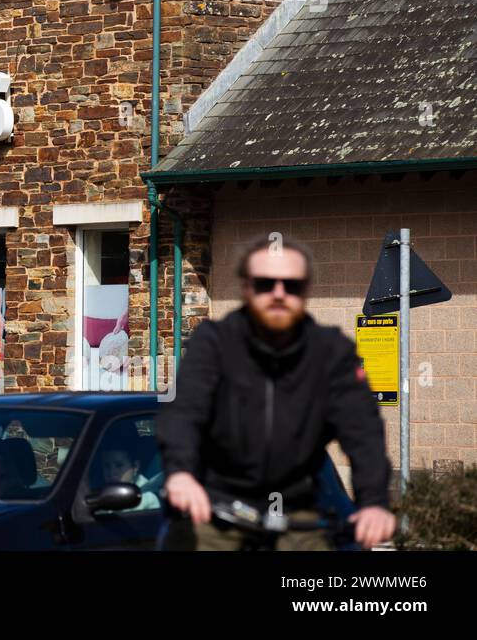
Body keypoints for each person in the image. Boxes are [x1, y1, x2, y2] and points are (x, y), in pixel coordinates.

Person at [157, 236, 395, 550]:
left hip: (296, 513)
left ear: (307, 290)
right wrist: (181, 473)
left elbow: (363, 431)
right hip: (217, 510)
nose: (279, 294)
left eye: (292, 286)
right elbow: (184, 412)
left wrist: (374, 502)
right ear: (246, 287)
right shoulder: (214, 343)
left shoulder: (331, 352)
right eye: (265, 284)